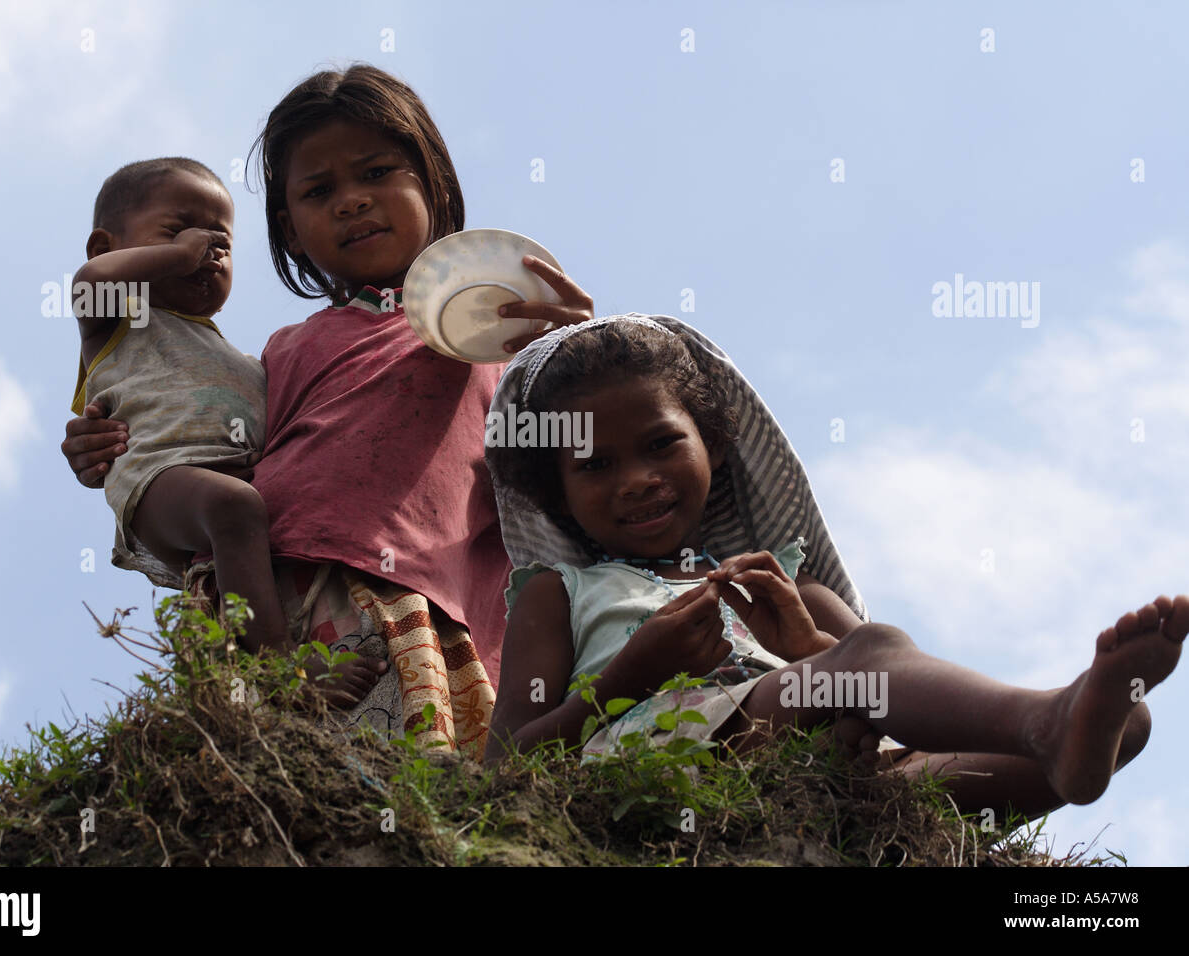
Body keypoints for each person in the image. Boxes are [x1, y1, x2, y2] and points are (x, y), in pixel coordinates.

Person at [61, 64, 594, 755]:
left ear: (432, 181)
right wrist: (106, 443)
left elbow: (587, 468)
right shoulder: (281, 353)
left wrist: (579, 356)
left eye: (376, 173)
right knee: (298, 775)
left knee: (432, 793)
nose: (351, 201)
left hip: (433, 595)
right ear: (290, 228)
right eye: (319, 190)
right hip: (290, 589)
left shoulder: (504, 332)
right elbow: (207, 450)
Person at [483, 315, 1185, 817]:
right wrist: (632, 673)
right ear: (559, 495)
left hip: (832, 772)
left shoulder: (782, 587)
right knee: (870, 653)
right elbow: (507, 760)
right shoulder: (559, 592)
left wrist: (809, 650)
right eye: (596, 465)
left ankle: (1060, 733)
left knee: (1131, 723)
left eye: (661, 443)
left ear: (716, 446)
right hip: (661, 758)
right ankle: (1046, 721)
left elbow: (888, 709)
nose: (635, 479)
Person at [70, 157, 292, 667]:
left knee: (243, 516)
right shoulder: (121, 319)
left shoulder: (245, 359)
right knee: (234, 508)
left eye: (221, 243)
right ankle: (284, 670)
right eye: (178, 230)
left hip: (233, 499)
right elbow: (91, 282)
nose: (206, 249)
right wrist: (176, 255)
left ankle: (243, 666)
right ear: (107, 246)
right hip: (159, 480)